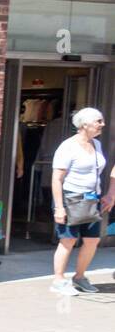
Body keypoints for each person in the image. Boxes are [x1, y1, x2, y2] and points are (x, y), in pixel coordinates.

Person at [51, 107, 115, 294]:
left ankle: (80, 276)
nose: (102, 124)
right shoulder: (68, 146)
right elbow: (57, 178)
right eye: (98, 121)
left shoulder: (96, 144)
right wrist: (59, 208)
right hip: (71, 198)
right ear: (84, 124)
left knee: (92, 240)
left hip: (91, 198)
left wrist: (109, 194)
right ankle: (58, 279)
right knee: (68, 240)